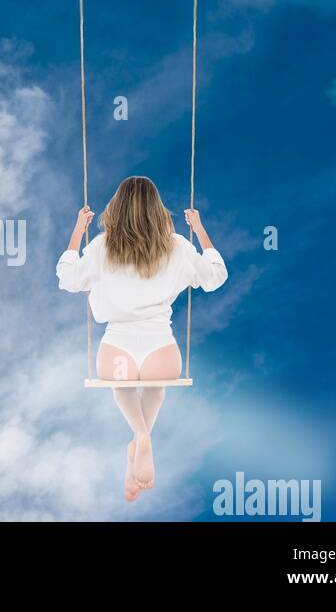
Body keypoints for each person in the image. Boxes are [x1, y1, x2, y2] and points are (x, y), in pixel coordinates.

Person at [56, 175, 228, 501]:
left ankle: (141, 437)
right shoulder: (177, 245)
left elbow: (68, 279)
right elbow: (215, 276)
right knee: (155, 384)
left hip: (116, 348)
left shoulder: (101, 247)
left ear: (116, 209)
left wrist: (78, 229)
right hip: (161, 348)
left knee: (121, 386)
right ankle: (141, 439)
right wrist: (200, 229)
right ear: (157, 210)